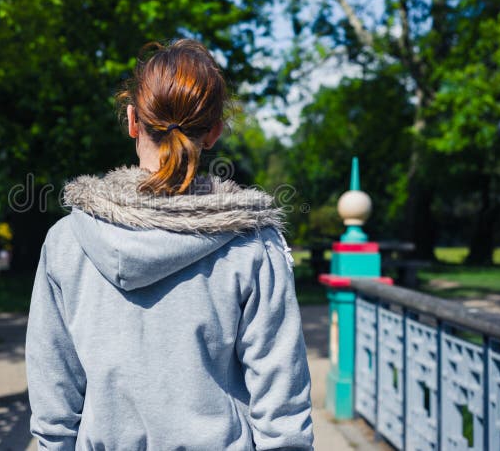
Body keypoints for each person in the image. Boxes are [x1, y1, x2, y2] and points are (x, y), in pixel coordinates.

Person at [25, 39, 313, 450]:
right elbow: (282, 406)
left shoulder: (67, 241)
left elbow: (53, 394)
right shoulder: (253, 246)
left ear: (131, 120)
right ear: (214, 131)